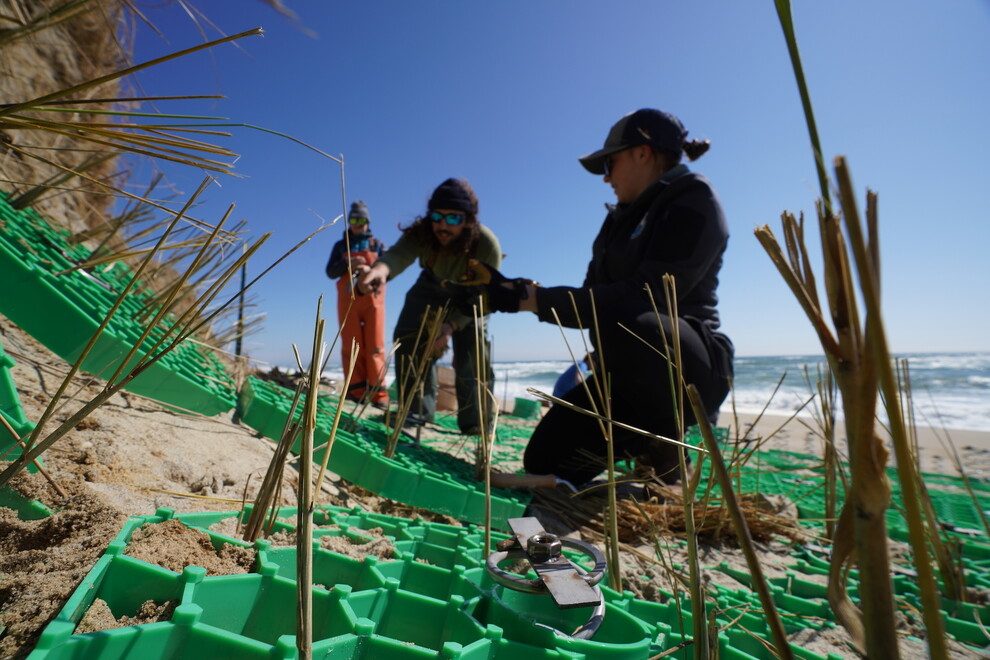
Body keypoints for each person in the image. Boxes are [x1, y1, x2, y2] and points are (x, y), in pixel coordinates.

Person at [467, 109, 734, 485]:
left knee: (626, 316)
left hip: (690, 371)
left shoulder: (694, 199)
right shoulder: (613, 225)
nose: (606, 177)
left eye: (610, 162)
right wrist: (518, 292)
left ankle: (669, 459)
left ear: (643, 153)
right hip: (623, 374)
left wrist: (535, 301)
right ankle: (639, 444)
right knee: (544, 460)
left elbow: (648, 293)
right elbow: (591, 304)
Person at [356, 178, 502, 435]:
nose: (443, 225)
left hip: (472, 300)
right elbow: (398, 255)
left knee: (472, 355)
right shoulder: (423, 231)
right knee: (408, 338)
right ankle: (415, 413)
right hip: (430, 289)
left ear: (468, 220)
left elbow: (484, 296)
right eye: (437, 216)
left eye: (453, 219)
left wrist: (450, 326)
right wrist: (379, 270)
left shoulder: (487, 245)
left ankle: (476, 425)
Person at [325, 200, 388, 407]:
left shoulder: (377, 245)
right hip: (348, 300)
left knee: (375, 346)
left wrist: (372, 272)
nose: (358, 223)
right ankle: (356, 392)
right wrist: (348, 264)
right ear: (349, 221)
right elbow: (330, 272)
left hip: (373, 300)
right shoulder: (340, 246)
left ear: (368, 222)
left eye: (362, 219)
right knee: (351, 345)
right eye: (354, 219)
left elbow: (389, 270)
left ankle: (379, 396)